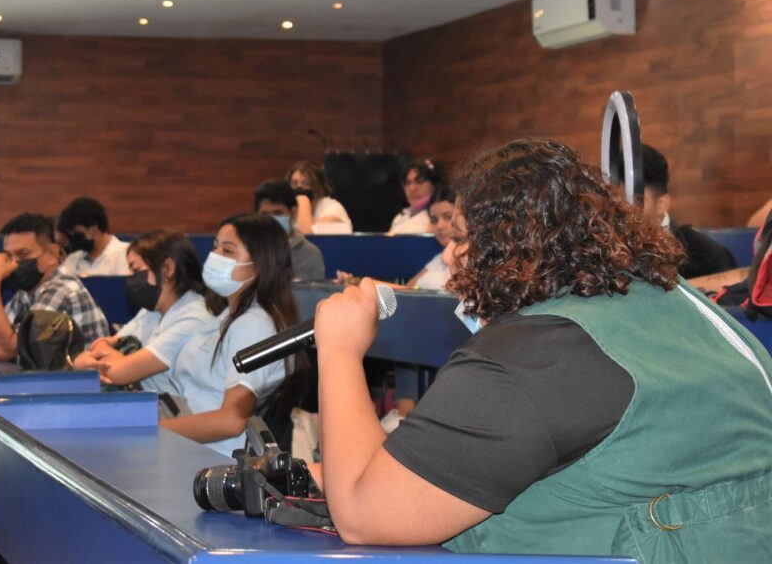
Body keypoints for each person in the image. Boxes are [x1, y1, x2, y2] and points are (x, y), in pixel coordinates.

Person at [313, 138, 772, 561]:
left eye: (462, 239)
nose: (452, 258)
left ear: (508, 245)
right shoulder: (677, 300)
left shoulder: (534, 352)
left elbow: (361, 512)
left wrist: (339, 351)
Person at [161, 213, 304, 455]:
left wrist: (156, 429)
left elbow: (231, 421)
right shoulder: (226, 314)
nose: (215, 257)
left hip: (213, 456)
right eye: (215, 247)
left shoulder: (255, 324)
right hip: (185, 436)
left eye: (228, 251)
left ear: (260, 264)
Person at [0, 213, 109, 362]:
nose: (15, 263)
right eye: (9, 256)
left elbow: (4, 349)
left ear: (52, 254)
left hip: (91, 393)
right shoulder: (28, 290)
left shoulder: (61, 290)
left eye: (23, 254)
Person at [73, 230, 212, 394]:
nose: (130, 278)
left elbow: (119, 372)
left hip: (181, 414)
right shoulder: (151, 313)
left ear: (167, 268)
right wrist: (112, 357)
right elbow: (94, 351)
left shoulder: (193, 318)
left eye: (135, 269)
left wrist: (116, 361)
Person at [638, 144, 736, 279]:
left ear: (661, 204)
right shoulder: (609, 251)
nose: (623, 208)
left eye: (637, 200)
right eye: (617, 200)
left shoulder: (705, 256)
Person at [254, 179, 326, 281]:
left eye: (277, 213)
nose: (271, 219)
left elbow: (308, 294)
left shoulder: (309, 254)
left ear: (293, 212)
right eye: (264, 214)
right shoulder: (248, 250)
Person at [56, 197, 130, 276]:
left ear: (93, 228)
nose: (74, 238)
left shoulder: (126, 254)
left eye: (77, 233)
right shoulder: (73, 259)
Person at [287, 160, 353, 234]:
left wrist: (303, 200)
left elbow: (307, 236)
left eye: (306, 183)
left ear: (319, 186)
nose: (299, 188)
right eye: (294, 184)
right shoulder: (291, 208)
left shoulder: (332, 207)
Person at [389, 158, 444, 235]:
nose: (412, 188)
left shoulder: (440, 217)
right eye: (407, 183)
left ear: (435, 184)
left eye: (420, 181)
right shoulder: (400, 217)